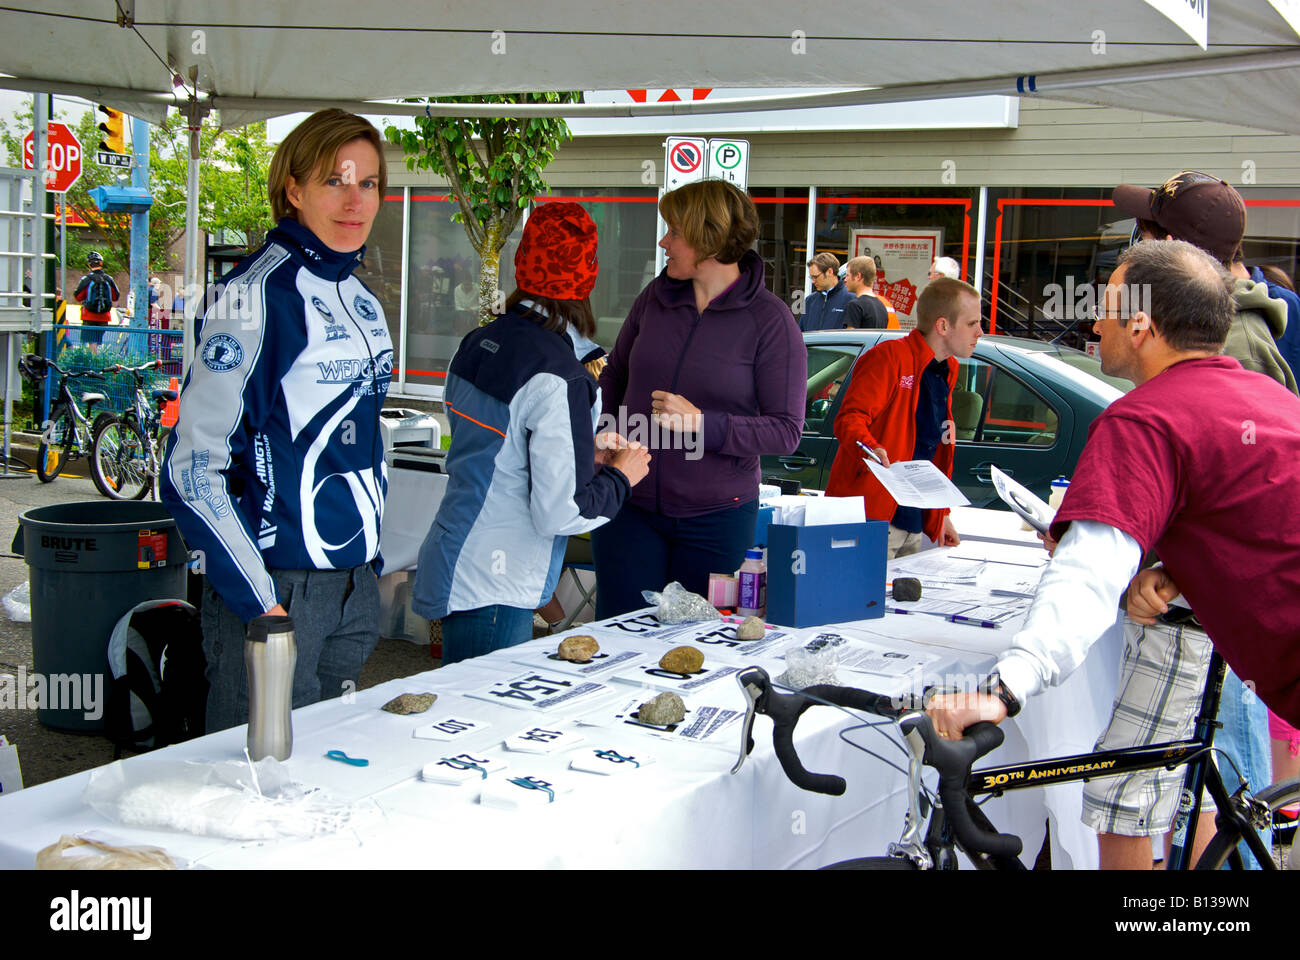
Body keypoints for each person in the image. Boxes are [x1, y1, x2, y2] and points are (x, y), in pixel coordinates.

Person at [928, 242, 1300, 764]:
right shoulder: (1272, 398)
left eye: (1104, 311)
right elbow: (1256, 519)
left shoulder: (1144, 419)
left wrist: (1004, 688)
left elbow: (1088, 570)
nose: (1095, 327)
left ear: (1140, 327)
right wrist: (1178, 570)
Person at [1063, 171, 1296, 868]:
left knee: (1166, 774)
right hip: (1230, 615)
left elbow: (1235, 491)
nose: (1138, 238)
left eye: (1150, 234)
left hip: (1225, 628)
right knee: (1201, 770)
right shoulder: (1234, 332)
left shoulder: (1225, 354)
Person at [160, 108, 394, 733]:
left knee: (328, 776)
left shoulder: (363, 298)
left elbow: (360, 442)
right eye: (334, 181)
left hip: (351, 588)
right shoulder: (254, 297)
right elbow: (191, 465)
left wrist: (369, 567)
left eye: (368, 183)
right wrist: (257, 598)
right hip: (276, 590)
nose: (354, 201)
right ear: (293, 188)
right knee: (255, 794)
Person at [411, 202, 650, 662]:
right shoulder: (560, 375)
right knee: (484, 725)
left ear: (523, 263)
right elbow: (561, 512)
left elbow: (498, 449)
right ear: (588, 276)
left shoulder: (479, 342)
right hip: (497, 583)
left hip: (456, 552)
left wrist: (586, 453)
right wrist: (621, 475)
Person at [592, 178, 806, 617]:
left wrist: (702, 424)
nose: (663, 241)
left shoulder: (770, 320)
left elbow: (786, 432)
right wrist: (602, 432)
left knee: (698, 650)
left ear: (708, 241)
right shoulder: (654, 298)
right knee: (616, 640)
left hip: (716, 519)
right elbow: (615, 376)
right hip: (628, 506)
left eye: (674, 231)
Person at [824, 277, 981, 558]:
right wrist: (871, 448)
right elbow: (848, 420)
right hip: (874, 516)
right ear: (943, 326)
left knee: (903, 601)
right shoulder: (888, 358)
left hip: (913, 519)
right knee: (865, 600)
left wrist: (941, 514)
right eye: (972, 324)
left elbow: (930, 447)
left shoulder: (949, 368)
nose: (980, 332)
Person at [73, 252, 118, 354]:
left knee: (90, 341)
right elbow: (116, 296)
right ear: (101, 263)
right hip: (104, 316)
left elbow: (77, 296)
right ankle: (96, 358)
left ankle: (93, 360)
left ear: (89, 265)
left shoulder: (87, 280)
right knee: (97, 340)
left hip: (88, 315)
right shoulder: (109, 279)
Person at [801, 252, 855, 332]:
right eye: (811, 277)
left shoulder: (851, 299)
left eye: (815, 277)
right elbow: (800, 331)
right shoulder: (810, 300)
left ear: (830, 272)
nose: (813, 281)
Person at [841, 256, 888, 329]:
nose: (845, 280)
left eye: (847, 275)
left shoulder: (855, 306)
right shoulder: (881, 306)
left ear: (858, 276)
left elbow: (850, 338)